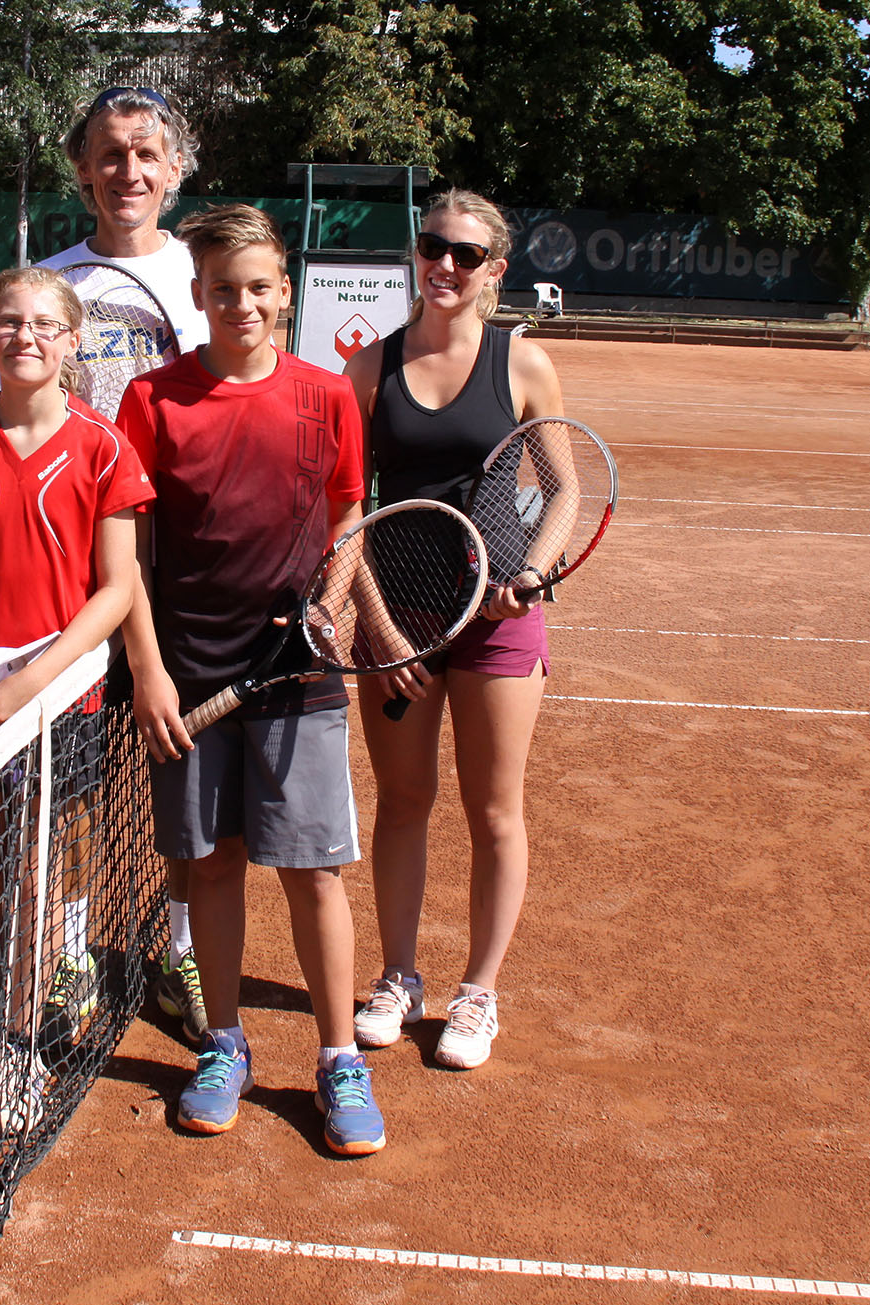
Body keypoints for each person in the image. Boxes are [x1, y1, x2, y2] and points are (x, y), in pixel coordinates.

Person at [118, 203, 384, 1156]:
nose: (242, 303)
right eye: (223, 289)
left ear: (285, 292)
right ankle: (223, 1043)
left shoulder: (327, 395)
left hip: (298, 674)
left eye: (259, 287)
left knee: (314, 870)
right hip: (191, 673)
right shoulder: (151, 401)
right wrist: (147, 670)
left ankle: (338, 1053)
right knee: (218, 863)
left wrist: (335, 597)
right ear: (198, 296)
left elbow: (350, 509)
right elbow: (133, 555)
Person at [0, 86, 212, 1044]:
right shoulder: (47, 286)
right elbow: (3, 415)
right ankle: (70, 953)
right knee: (67, 791)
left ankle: (177, 945)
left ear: (176, 169)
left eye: (147, 154)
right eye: (110, 155)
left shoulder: (205, 276)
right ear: (81, 169)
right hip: (72, 574)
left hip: (185, 566)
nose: (129, 172)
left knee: (180, 776)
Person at [0, 266, 149, 1135]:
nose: (26, 337)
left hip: (60, 698)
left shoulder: (106, 446)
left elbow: (116, 591)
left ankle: (21, 1041)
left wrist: (32, 684)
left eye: (46, 324)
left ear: (73, 340)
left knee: (39, 870)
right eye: (8, 321)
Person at [343, 189, 564, 1072]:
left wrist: (538, 568)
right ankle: (399, 976)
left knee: (495, 809)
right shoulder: (371, 369)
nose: (445, 264)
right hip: (398, 617)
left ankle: (479, 990)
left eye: (466, 255)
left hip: (499, 621)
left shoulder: (523, 364)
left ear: (494, 272)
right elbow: (346, 509)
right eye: (434, 246)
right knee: (401, 802)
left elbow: (561, 484)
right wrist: (378, 624)